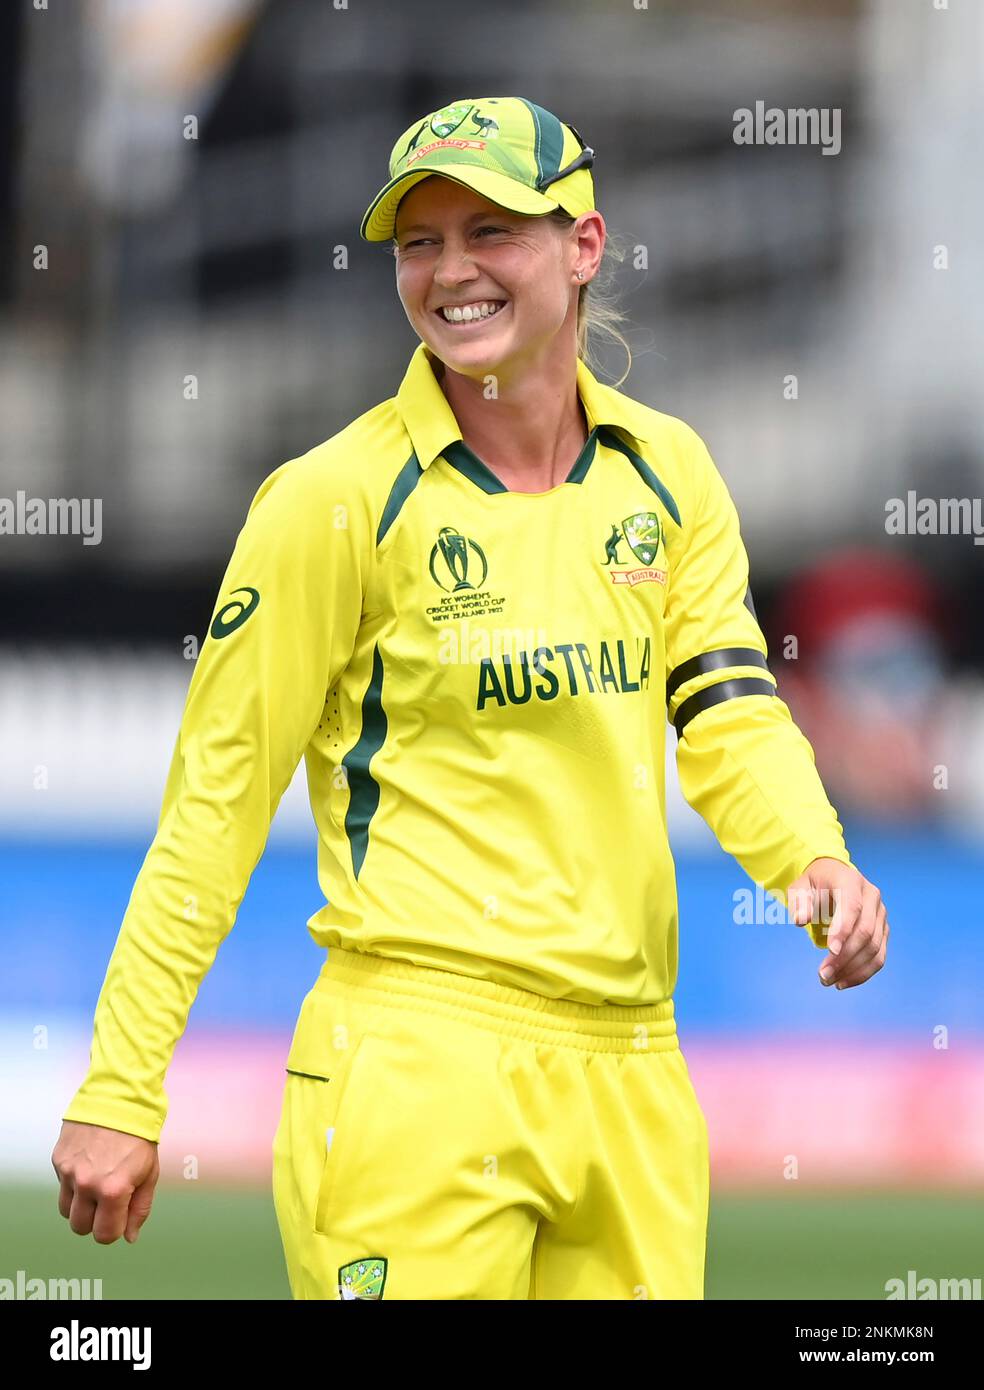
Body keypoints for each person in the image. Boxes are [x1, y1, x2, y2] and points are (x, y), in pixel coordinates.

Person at [51, 96, 889, 1301]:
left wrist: (812, 858)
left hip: (635, 1070)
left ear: (583, 247)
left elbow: (726, 711)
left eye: (492, 230)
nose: (452, 273)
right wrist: (123, 1083)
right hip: (413, 1069)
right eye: (418, 243)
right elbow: (213, 808)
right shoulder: (329, 499)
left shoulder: (671, 472)